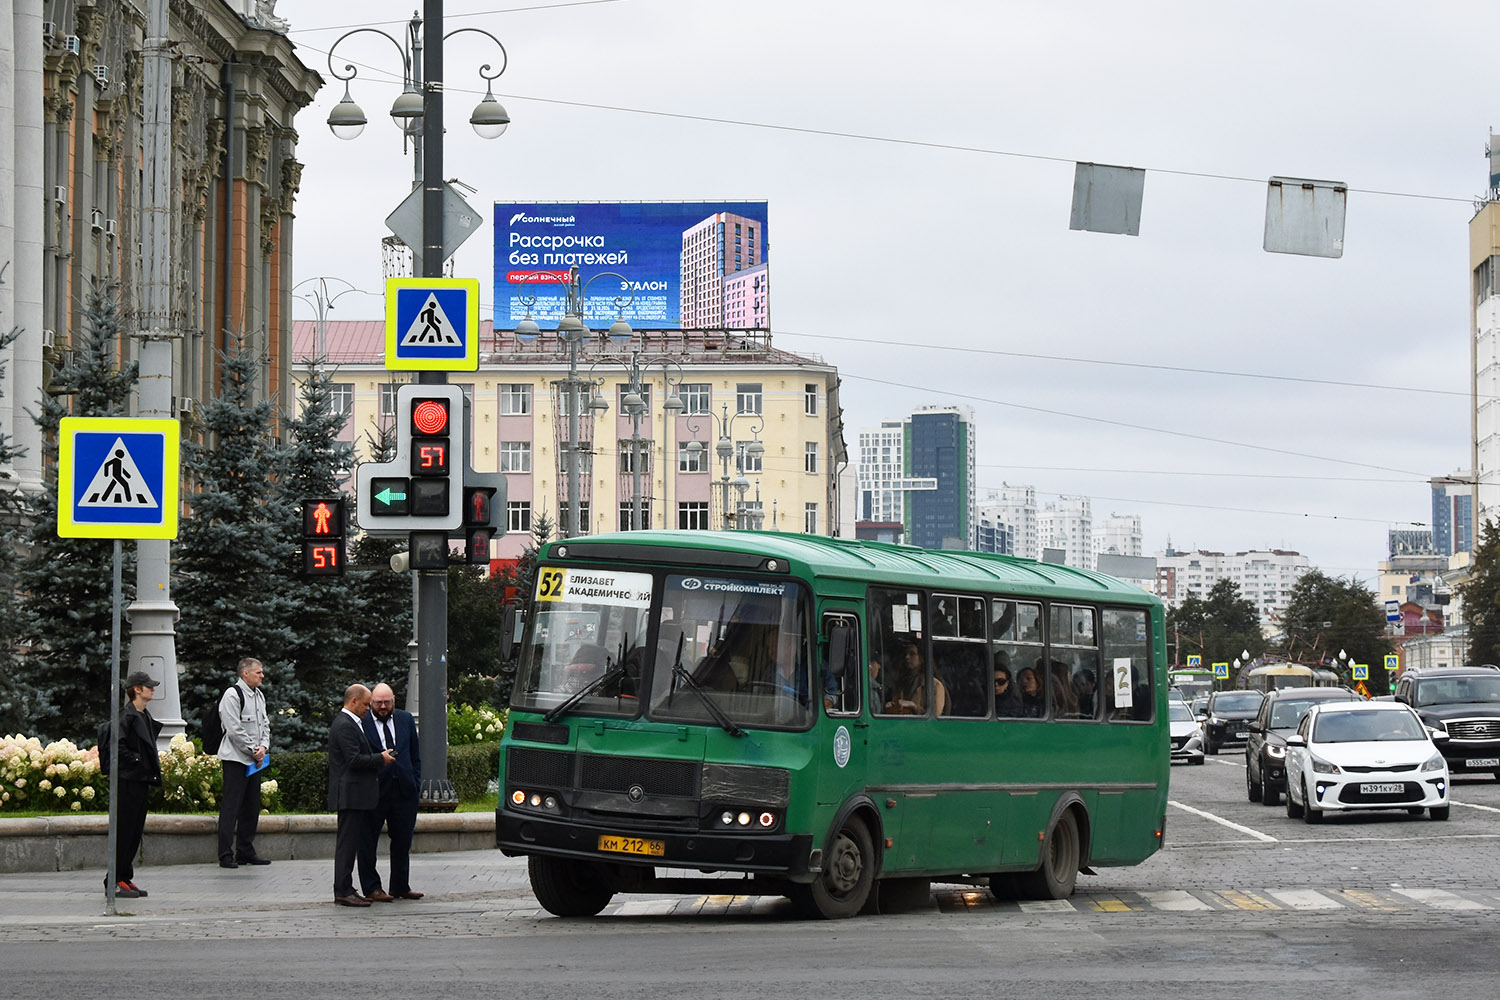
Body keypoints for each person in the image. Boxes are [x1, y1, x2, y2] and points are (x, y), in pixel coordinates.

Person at [327, 684, 396, 907]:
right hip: (350, 793)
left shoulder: (350, 722)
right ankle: (343, 890)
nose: (368, 709)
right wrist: (380, 759)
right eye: (366, 704)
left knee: (350, 844)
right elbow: (353, 760)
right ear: (354, 701)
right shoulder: (344, 725)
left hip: (355, 793)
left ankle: (347, 888)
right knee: (347, 845)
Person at [358, 683, 424, 902]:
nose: (383, 707)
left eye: (387, 702)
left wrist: (415, 781)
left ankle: (400, 886)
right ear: (371, 702)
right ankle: (372, 888)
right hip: (374, 790)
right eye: (378, 703)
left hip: (404, 790)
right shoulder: (362, 722)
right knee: (367, 842)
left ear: (394, 700)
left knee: (403, 841)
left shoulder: (405, 719)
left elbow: (415, 754)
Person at [107, 670, 163, 899]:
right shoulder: (127, 716)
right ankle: (113, 880)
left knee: (134, 832)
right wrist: (138, 760)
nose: (152, 689)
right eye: (148, 686)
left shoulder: (143, 715)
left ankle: (124, 877)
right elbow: (117, 746)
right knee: (125, 831)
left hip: (141, 781)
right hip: (129, 781)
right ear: (137, 690)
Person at [216, 657, 271, 869]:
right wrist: (253, 750)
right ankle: (225, 854)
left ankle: (245, 851)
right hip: (236, 759)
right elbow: (234, 729)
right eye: (258, 672)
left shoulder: (259, 695)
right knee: (232, 806)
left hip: (255, 761)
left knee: (251, 806)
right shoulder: (232, 695)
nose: (262, 676)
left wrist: (263, 747)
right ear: (245, 673)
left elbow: (265, 724)